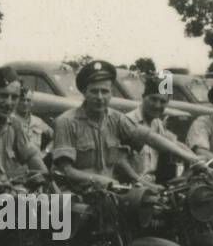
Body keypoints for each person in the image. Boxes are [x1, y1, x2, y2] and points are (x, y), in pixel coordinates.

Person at [51, 60, 201, 188]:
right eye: (94, 91)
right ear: (84, 92)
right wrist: (99, 180)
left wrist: (192, 159)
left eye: (105, 91)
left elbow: (150, 137)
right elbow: (66, 170)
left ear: (111, 93)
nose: (100, 97)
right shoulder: (66, 121)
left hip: (111, 193)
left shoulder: (116, 119)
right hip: (79, 195)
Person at [124, 76, 176, 182]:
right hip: (132, 185)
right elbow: (119, 164)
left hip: (153, 184)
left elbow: (173, 144)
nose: (157, 105)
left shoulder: (157, 123)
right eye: (153, 99)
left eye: (162, 101)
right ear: (143, 97)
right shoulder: (128, 121)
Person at [15, 82, 52, 149]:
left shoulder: (37, 121)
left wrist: (46, 151)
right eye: (22, 100)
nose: (25, 103)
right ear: (17, 101)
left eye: (28, 100)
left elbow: (55, 137)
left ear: (32, 103)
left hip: (37, 158)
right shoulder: (11, 121)